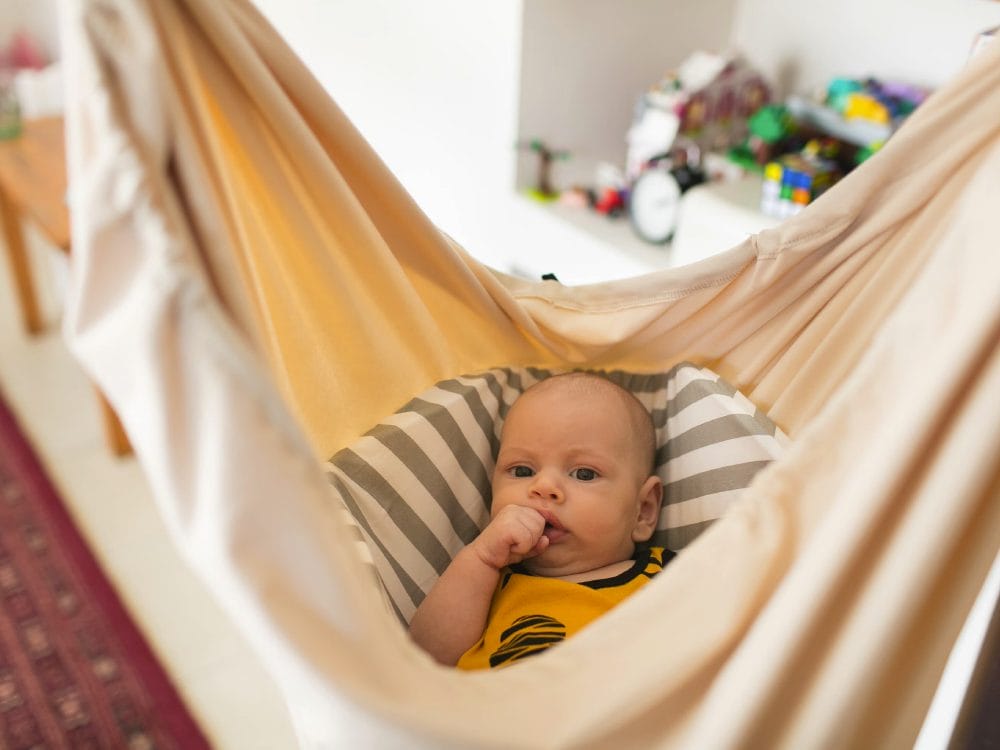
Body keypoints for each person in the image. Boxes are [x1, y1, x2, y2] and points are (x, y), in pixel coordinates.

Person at [408, 371, 672, 669]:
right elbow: (424, 661)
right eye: (522, 471)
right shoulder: (484, 583)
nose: (543, 486)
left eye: (584, 474)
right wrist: (481, 557)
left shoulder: (670, 576)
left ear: (644, 510)